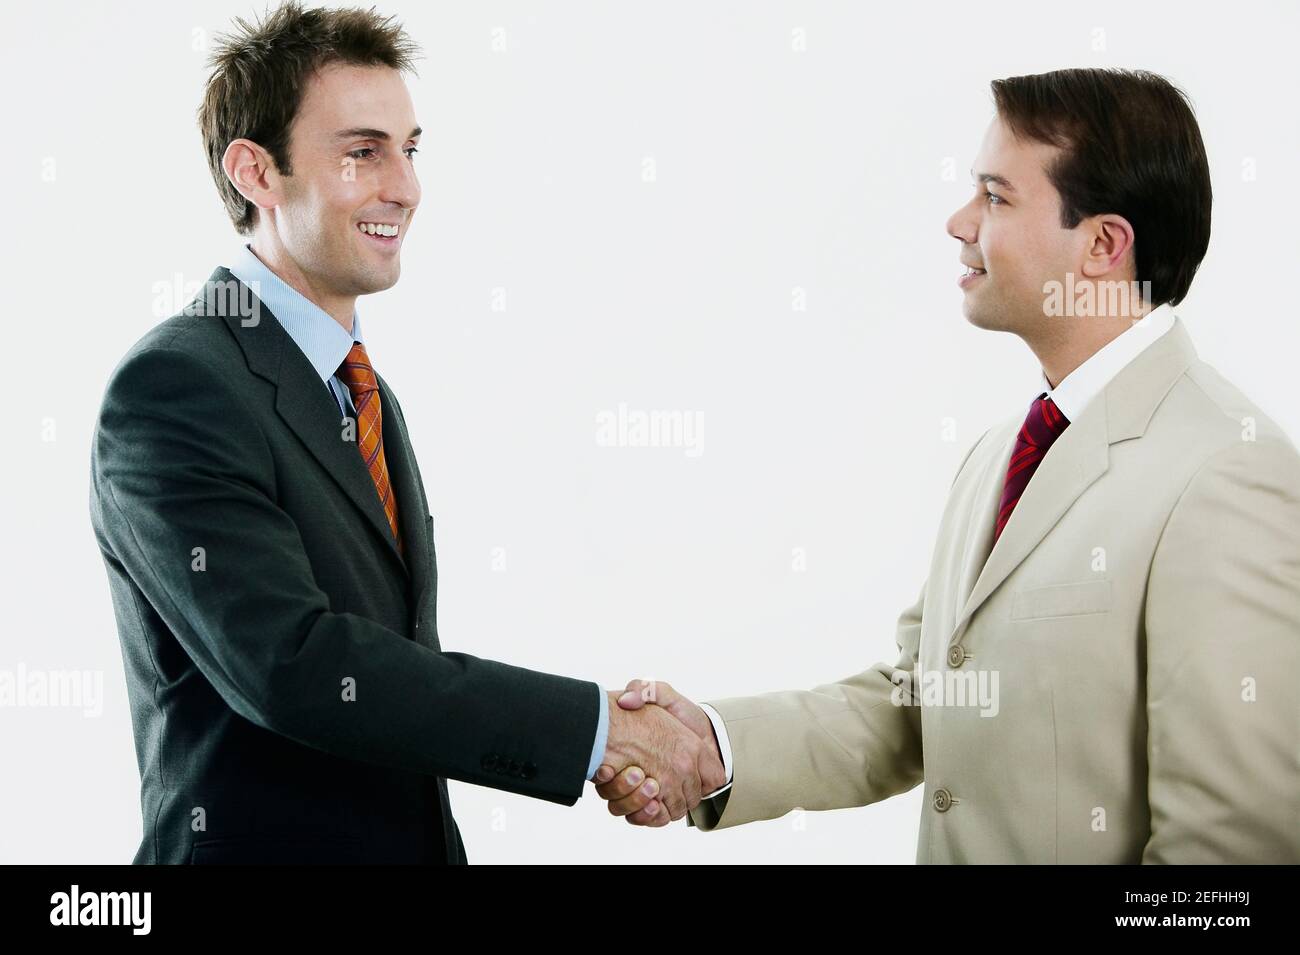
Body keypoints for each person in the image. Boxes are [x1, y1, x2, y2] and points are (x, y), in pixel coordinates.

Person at [603, 68, 1300, 862]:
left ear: (1104, 244)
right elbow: (923, 700)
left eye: (996, 196)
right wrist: (715, 750)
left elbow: (1232, 857)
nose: (958, 221)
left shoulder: (1228, 474)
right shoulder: (1002, 452)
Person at [89, 1, 721, 864]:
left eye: (410, 149)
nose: (405, 187)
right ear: (255, 172)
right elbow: (296, 665)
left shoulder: (363, 391)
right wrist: (597, 729)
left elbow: (391, 671)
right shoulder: (176, 387)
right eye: (362, 153)